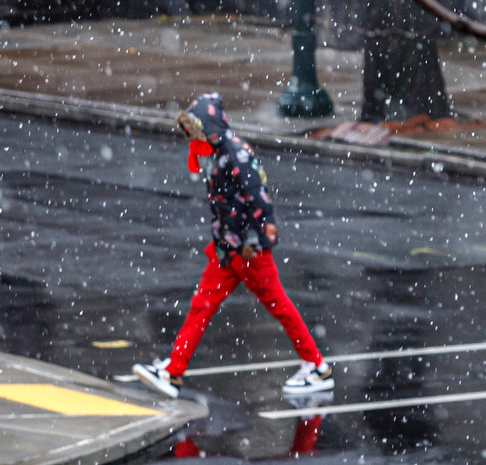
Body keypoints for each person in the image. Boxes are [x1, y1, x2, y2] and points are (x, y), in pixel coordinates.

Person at [132, 93, 334, 398]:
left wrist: (254, 240)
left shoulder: (234, 154)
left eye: (196, 130)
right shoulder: (222, 151)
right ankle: (173, 370)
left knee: (275, 305)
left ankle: (316, 367)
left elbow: (259, 199)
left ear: (209, 127)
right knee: (204, 305)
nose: (192, 138)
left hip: (246, 251)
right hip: (230, 249)